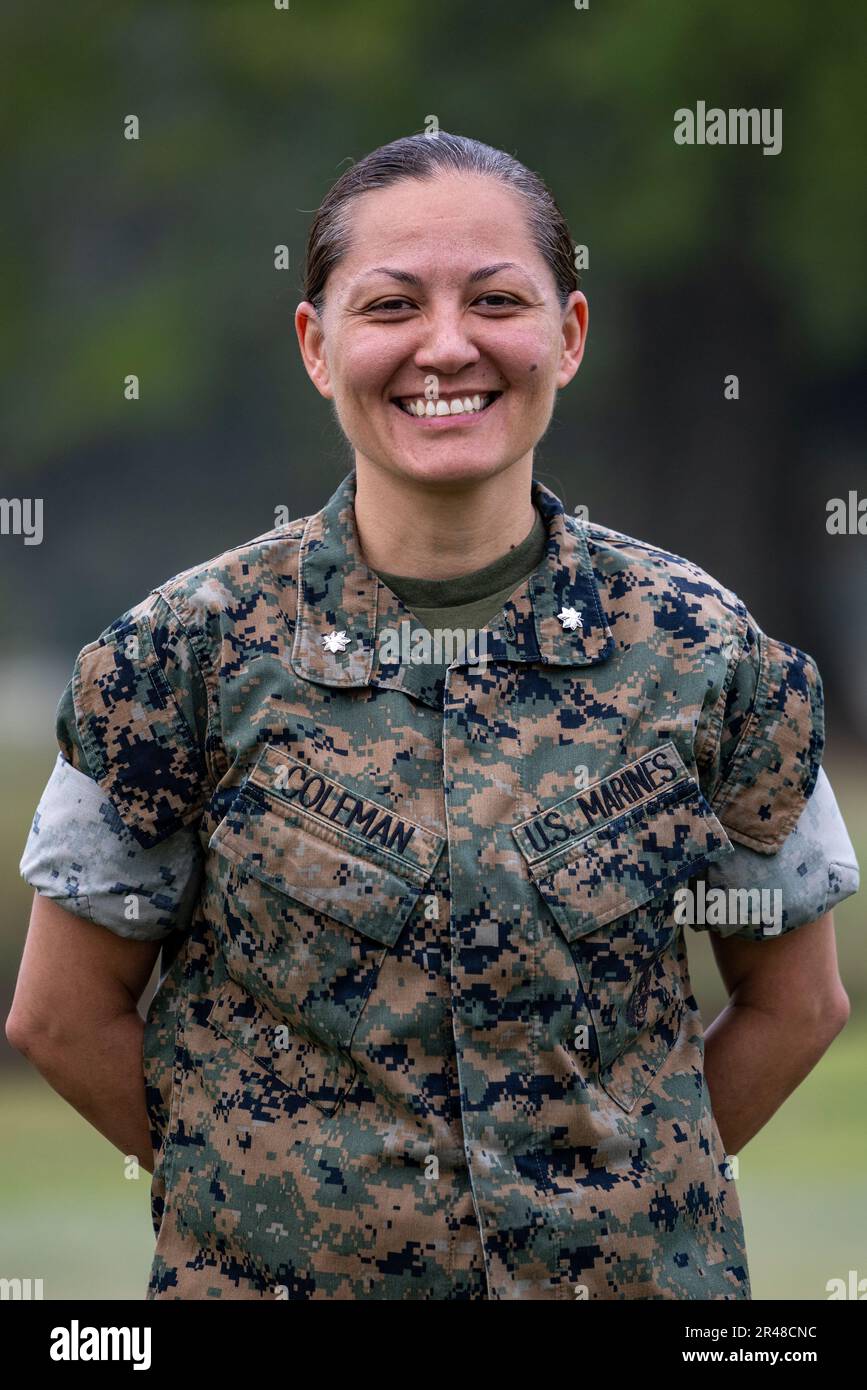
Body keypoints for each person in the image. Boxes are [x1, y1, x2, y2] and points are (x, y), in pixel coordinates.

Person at [8, 132, 859, 1301]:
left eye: (497, 300)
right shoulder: (176, 659)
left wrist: (612, 1200)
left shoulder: (709, 654)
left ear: (568, 333)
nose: (446, 346)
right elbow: (61, 1016)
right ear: (318, 344)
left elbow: (797, 1001)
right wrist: (283, 1209)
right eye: (392, 304)